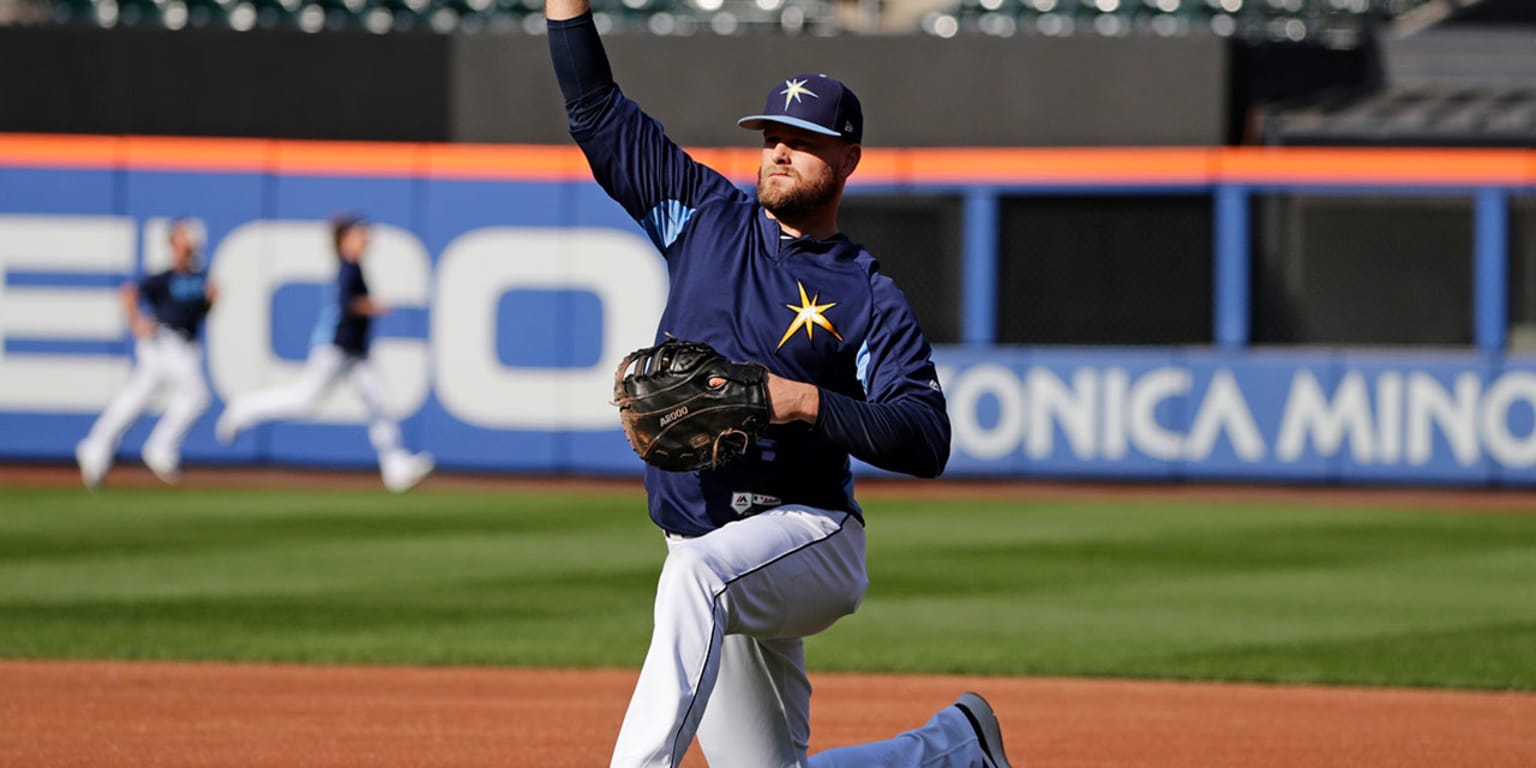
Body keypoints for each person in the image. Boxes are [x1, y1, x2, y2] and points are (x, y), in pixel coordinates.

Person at [544, 5, 1013, 767]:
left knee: (696, 577)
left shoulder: (865, 293)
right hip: (706, 538)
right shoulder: (701, 214)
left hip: (810, 536)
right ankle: (953, 747)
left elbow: (927, 437)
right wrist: (568, 9)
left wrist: (800, 400)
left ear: (850, 160)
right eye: (773, 138)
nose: (781, 152)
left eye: (805, 141)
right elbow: (595, 111)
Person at [215, 214, 433, 494]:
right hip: (335, 348)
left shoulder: (355, 266)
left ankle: (395, 466)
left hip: (354, 351)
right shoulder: (348, 268)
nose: (366, 238)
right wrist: (371, 306)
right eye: (360, 234)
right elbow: (347, 303)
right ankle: (243, 407)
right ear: (345, 240)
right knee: (304, 400)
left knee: (379, 403)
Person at [76, 219, 218, 489]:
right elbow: (129, 293)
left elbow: (200, 314)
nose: (191, 241)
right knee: (197, 395)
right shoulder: (163, 277)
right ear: (173, 242)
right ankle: (159, 448)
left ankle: (94, 448)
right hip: (162, 341)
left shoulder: (200, 276)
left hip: (185, 347)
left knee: (135, 399)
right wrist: (136, 321)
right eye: (184, 236)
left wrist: (211, 303)